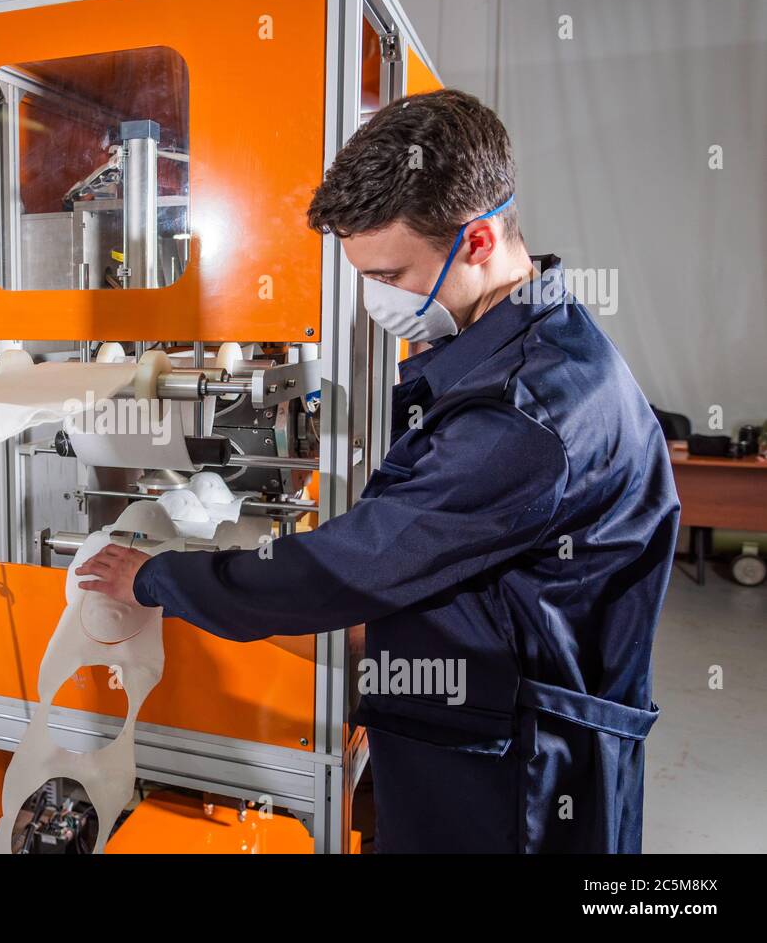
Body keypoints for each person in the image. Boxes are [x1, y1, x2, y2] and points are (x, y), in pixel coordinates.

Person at [76, 89, 680, 853]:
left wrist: (159, 577)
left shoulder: (522, 418)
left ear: (481, 240)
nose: (378, 299)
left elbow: (344, 572)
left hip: (514, 775)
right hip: (491, 716)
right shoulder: (532, 339)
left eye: (390, 273)